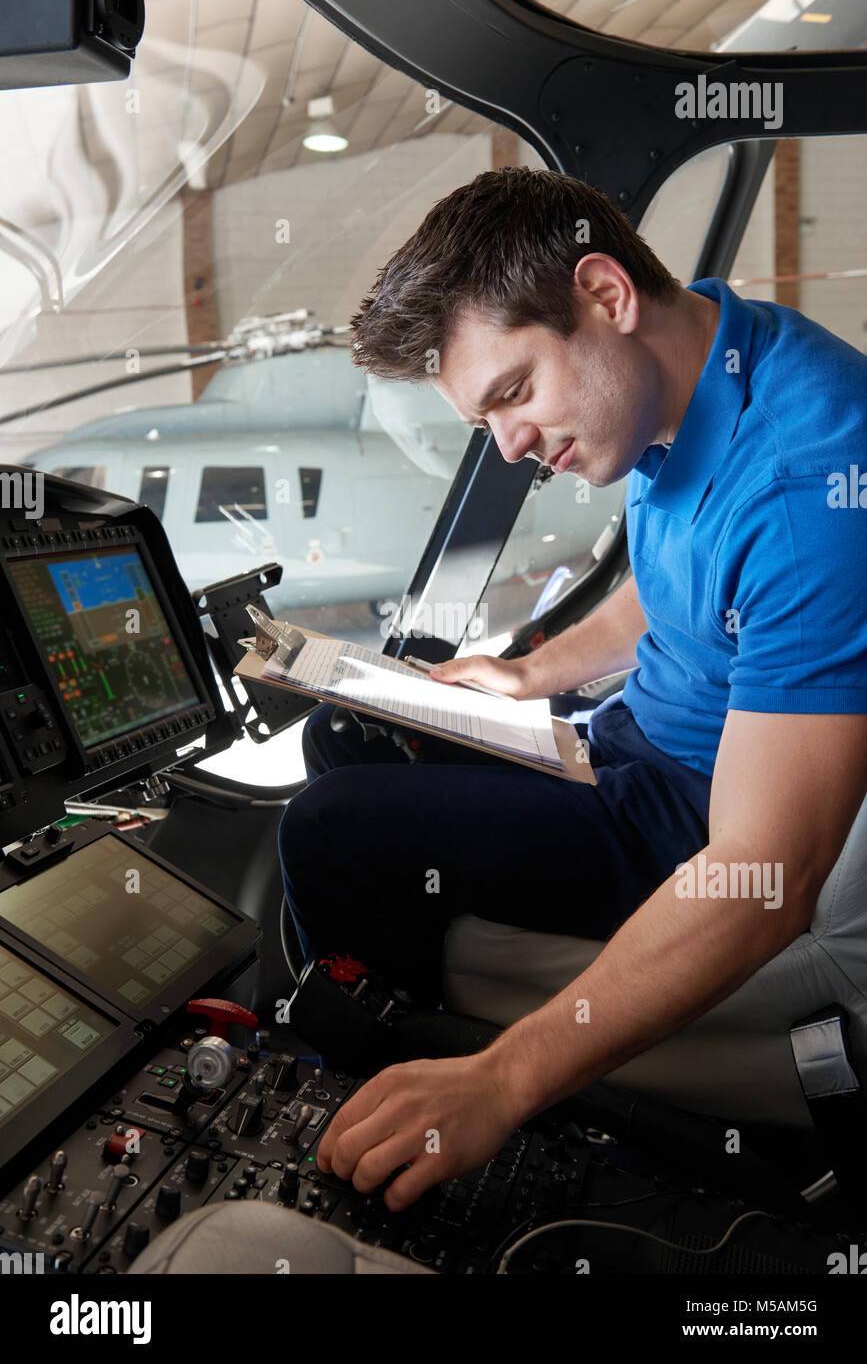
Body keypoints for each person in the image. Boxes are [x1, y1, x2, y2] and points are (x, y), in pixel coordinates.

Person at [277, 166, 867, 1212]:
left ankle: (443, 1119)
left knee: (330, 832)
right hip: (628, 738)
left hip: (691, 807)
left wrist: (504, 1080)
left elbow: (766, 877)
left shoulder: (808, 487)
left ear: (605, 295)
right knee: (351, 735)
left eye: (512, 395)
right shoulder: (702, 365)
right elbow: (680, 573)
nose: (511, 448)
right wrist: (530, 674)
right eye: (485, 420)